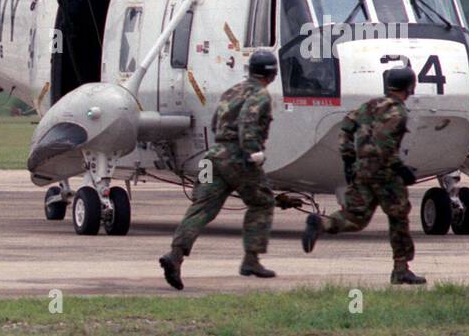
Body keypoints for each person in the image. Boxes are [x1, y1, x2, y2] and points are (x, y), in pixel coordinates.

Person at [159, 49, 278, 290]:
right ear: (271, 73)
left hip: (214, 156)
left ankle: (175, 255)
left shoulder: (232, 91)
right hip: (238, 158)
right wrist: (253, 152)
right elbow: (248, 121)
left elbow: (215, 123)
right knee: (262, 202)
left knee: (202, 209)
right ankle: (251, 259)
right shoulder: (261, 95)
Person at [302, 65, 426, 284]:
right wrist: (399, 168)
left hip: (362, 171)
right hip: (385, 174)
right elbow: (383, 142)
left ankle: (321, 224)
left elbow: (347, 126)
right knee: (398, 218)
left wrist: (349, 159)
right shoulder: (398, 111)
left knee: (355, 217)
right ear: (409, 87)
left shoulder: (369, 106)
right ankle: (401, 269)